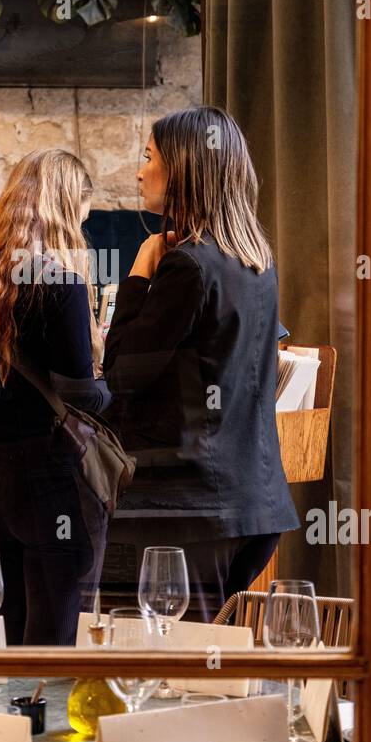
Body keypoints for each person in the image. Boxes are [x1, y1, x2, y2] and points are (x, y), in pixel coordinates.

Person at [103, 106, 299, 621]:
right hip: (255, 503)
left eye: (150, 158)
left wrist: (139, 276)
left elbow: (122, 375)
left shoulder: (185, 264)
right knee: (202, 672)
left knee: (167, 676)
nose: (140, 170)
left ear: (186, 170)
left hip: (187, 511)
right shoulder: (254, 259)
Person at [0, 150, 112, 645]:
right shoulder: (61, 283)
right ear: (64, 209)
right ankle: (45, 724)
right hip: (51, 484)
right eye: (81, 215)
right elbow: (80, 395)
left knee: (12, 647)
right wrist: (118, 379)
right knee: (53, 648)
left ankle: (13, 725)